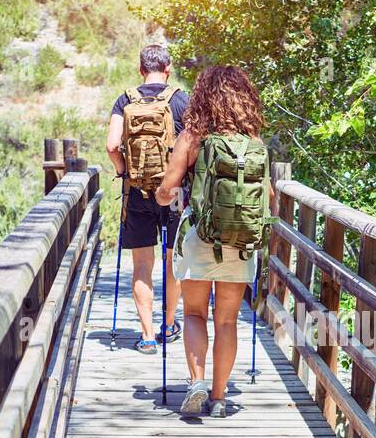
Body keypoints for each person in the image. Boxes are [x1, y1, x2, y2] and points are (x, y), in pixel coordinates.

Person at [155, 65, 275, 417]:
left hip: (200, 237)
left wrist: (165, 196)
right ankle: (219, 399)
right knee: (226, 321)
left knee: (193, 313)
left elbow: (167, 191)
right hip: (240, 243)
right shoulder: (254, 144)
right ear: (245, 99)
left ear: (204, 96)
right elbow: (268, 196)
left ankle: (197, 382)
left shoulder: (193, 137)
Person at [105, 44, 190, 353]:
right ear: (168, 68)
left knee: (142, 264)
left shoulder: (124, 100)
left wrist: (125, 173)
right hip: (175, 193)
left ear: (141, 69)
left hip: (136, 192)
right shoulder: (181, 100)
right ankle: (169, 325)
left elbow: (112, 146)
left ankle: (148, 336)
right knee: (172, 262)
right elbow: (193, 147)